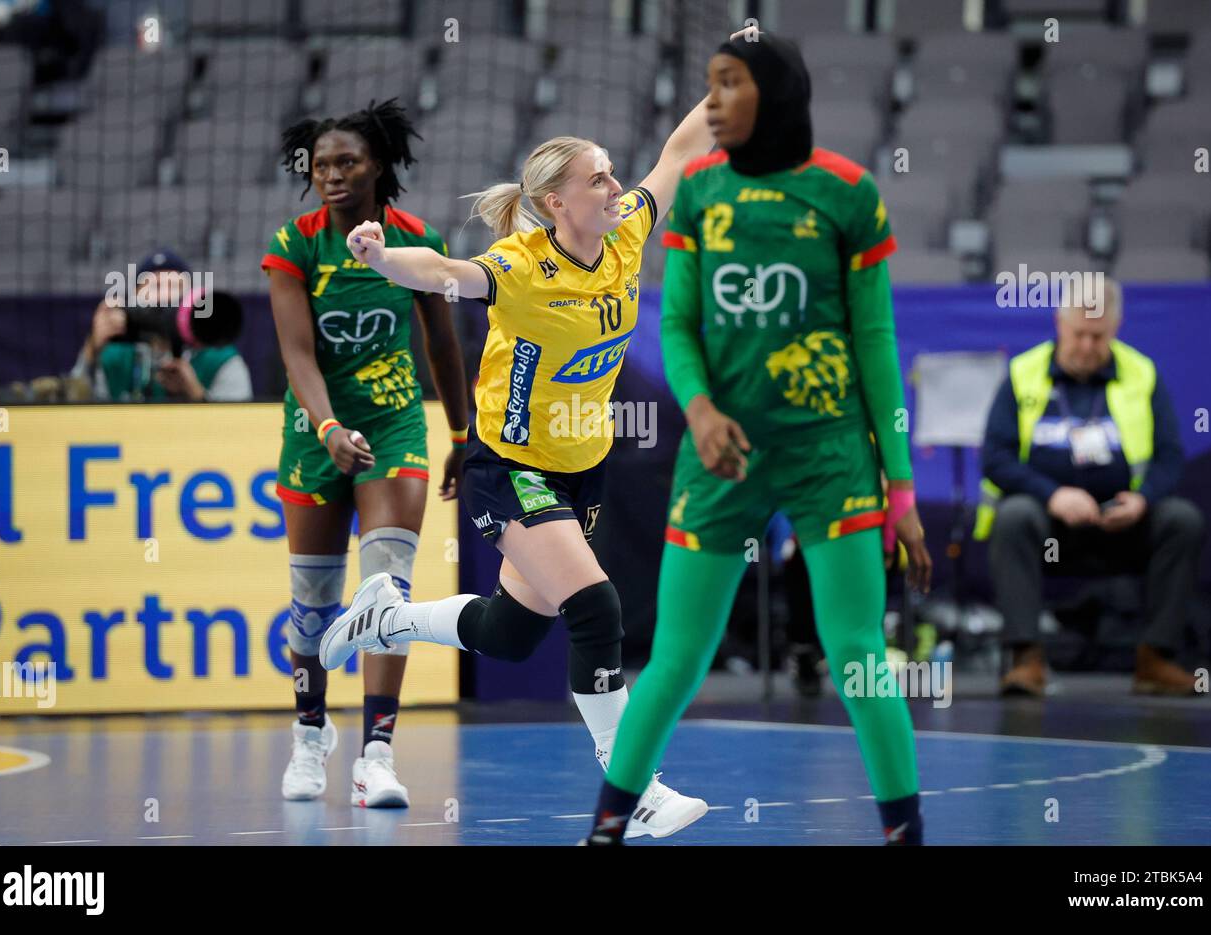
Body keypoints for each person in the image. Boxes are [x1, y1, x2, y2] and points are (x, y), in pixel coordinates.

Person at [315, 43, 761, 836]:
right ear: (555, 201)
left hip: (581, 470)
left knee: (513, 632)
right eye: (597, 178)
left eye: (612, 174)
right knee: (596, 607)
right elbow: (443, 271)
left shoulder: (625, 233)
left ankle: (385, 616)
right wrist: (384, 258)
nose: (615, 186)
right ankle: (635, 789)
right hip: (510, 466)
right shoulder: (519, 266)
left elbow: (681, 149)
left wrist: (736, 78)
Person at [582, 32, 932, 846]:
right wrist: (699, 410)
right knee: (674, 661)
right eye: (708, 84)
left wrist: (903, 487)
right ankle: (604, 830)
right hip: (720, 458)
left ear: (774, 93)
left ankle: (904, 835)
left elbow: (875, 343)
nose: (712, 102)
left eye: (730, 84)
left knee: (857, 657)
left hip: (830, 457)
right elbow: (677, 322)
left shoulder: (848, 193)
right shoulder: (700, 192)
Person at [261, 99, 470, 807]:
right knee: (313, 605)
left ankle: (375, 754)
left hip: (393, 425)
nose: (331, 175)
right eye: (320, 165)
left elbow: (443, 344)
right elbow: (295, 353)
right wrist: (325, 429)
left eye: (346, 162)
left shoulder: (418, 240)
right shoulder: (295, 243)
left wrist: (463, 434)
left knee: (386, 589)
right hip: (314, 431)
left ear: (377, 164)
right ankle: (309, 738)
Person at [974, 279, 1204, 697]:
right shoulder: (1022, 374)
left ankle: (1155, 659)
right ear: (1059, 323)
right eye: (1078, 333)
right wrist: (1053, 495)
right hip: (1051, 529)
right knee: (1013, 515)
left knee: (1182, 520)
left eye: (1097, 336)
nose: (1086, 345)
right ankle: (1026, 661)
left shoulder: (1141, 373)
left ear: (1116, 327)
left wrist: (1143, 499)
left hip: (1122, 526)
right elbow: (996, 458)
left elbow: (1170, 456)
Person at [72, 250, 253, 402]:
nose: (165, 297)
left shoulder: (219, 357)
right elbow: (73, 416)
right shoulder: (114, 356)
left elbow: (239, 429)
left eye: (174, 286)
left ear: (193, 299)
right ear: (134, 298)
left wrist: (196, 395)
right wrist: (91, 352)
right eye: (154, 286)